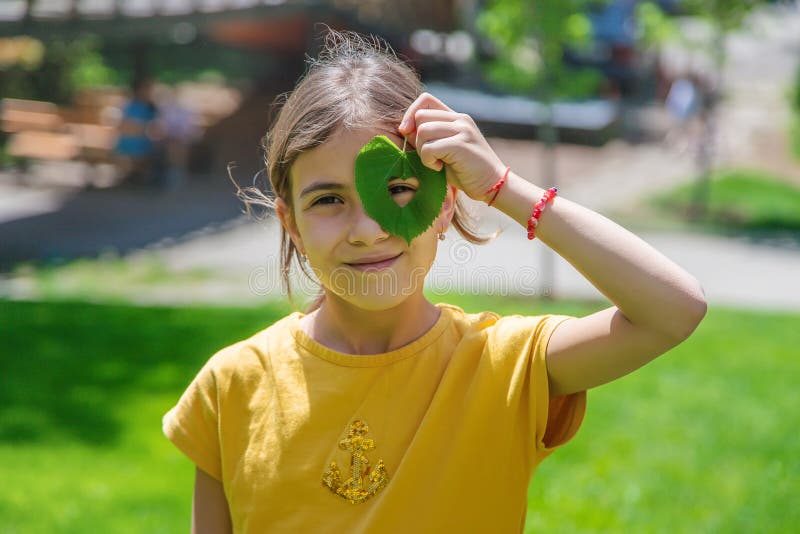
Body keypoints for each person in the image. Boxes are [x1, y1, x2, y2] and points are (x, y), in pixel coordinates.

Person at [163, 30, 707, 534]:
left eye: (397, 189)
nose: (368, 229)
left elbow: (674, 310)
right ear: (292, 225)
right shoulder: (230, 387)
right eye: (328, 200)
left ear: (446, 205)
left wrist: (502, 186)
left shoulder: (502, 366)